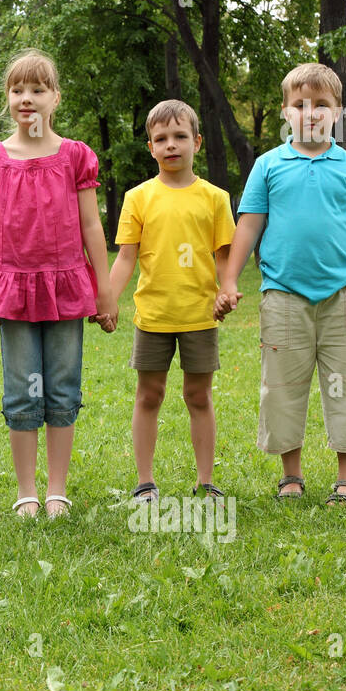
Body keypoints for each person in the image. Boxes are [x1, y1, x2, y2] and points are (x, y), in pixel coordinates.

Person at [215, 63, 346, 504]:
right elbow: (248, 226)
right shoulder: (268, 166)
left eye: (321, 105)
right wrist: (229, 278)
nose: (311, 113)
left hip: (341, 298)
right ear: (285, 112)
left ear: (338, 113)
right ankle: (291, 475)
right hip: (283, 297)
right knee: (283, 387)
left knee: (343, 385)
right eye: (300, 105)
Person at [0, 49, 117, 519]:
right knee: (21, 390)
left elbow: (93, 226)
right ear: (7, 99)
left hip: (67, 287)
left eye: (37, 90)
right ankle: (27, 492)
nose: (26, 99)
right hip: (13, 289)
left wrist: (105, 288)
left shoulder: (76, 156)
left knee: (61, 385)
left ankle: (57, 491)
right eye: (17, 90)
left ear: (56, 98)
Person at [106, 100, 235, 504]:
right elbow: (126, 256)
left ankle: (206, 481)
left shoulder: (215, 198)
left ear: (196, 142)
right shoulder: (138, 197)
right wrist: (108, 299)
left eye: (180, 136)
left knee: (199, 396)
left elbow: (224, 256)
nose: (171, 145)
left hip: (199, 316)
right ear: (150, 147)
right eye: (161, 138)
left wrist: (226, 290)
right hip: (153, 316)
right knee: (149, 394)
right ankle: (145, 481)